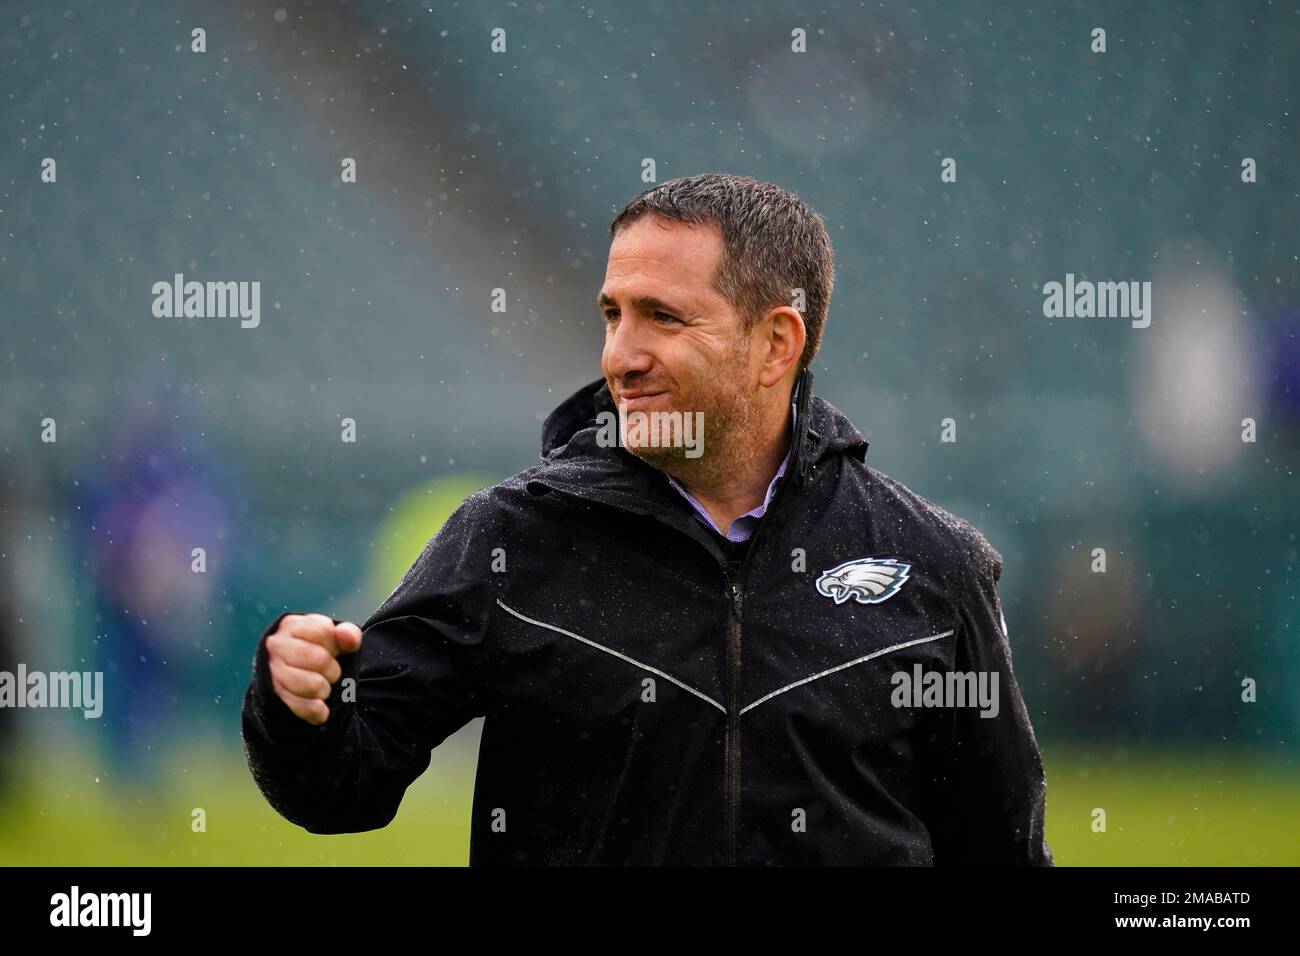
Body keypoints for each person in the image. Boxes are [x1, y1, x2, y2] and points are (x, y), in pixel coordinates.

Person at [241, 172, 1053, 866]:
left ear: (776, 345)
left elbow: (1000, 850)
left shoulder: (933, 566)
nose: (620, 355)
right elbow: (343, 788)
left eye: (662, 317)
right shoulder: (510, 542)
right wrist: (301, 707)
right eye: (611, 314)